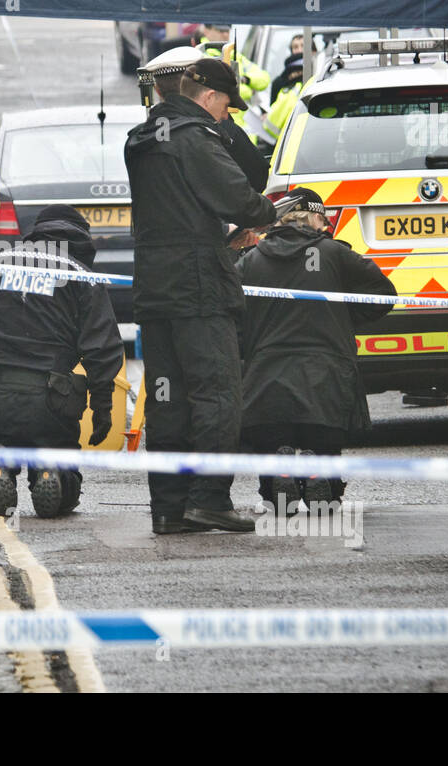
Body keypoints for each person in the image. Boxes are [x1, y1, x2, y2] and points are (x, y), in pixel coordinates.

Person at [124, 58, 277, 534]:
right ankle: (209, 498)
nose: (226, 115)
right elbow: (244, 199)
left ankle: (170, 508)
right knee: (217, 394)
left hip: (155, 287)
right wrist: (268, 213)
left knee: (169, 400)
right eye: (226, 105)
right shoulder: (196, 140)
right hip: (199, 288)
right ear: (209, 98)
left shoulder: (141, 139)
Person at [0, 206, 124, 518]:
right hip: (52, 401)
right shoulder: (81, 276)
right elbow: (103, 350)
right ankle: (49, 465)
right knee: (65, 497)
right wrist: (102, 409)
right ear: (82, 241)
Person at [236, 188, 396, 510]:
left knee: (272, 439)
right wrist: (342, 316)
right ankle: (318, 469)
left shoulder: (249, 261)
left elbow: (232, 314)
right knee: (324, 439)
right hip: (327, 373)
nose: (325, 226)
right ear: (311, 217)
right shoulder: (335, 254)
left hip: (266, 376)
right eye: (322, 219)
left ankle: (278, 472)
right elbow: (383, 294)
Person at [141, 46, 268, 192]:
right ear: (195, 86)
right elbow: (258, 178)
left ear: (157, 90)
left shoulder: (143, 135)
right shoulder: (217, 131)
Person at [270, 35, 306, 104]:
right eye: (295, 47)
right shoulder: (279, 82)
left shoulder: (318, 74)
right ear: (291, 50)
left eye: (303, 46)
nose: (299, 50)